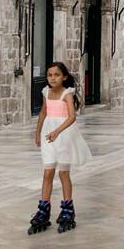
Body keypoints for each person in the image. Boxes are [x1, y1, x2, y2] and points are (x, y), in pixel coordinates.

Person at [29, 61, 91, 235]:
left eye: (56, 75)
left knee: (63, 173)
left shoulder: (67, 94)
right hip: (48, 134)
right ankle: (43, 208)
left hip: (64, 135)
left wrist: (57, 131)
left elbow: (72, 117)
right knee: (48, 172)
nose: (53, 78)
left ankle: (67, 208)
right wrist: (37, 132)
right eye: (49, 75)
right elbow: (43, 112)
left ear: (64, 77)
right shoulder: (46, 92)